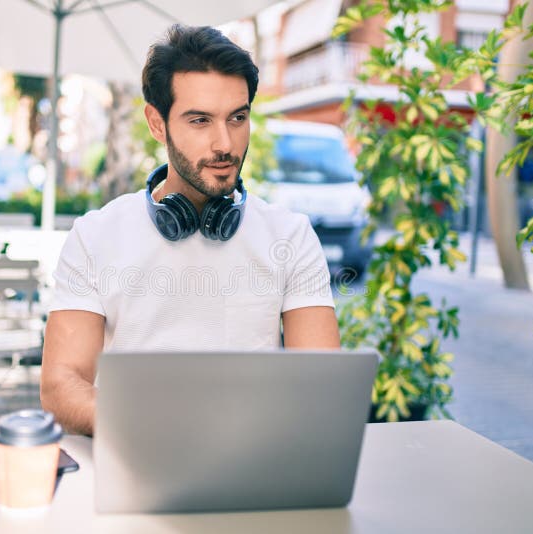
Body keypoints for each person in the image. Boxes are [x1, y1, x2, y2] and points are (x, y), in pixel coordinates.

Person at [41, 25, 340, 436]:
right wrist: (151, 428)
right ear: (157, 124)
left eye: (238, 118)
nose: (225, 144)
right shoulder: (94, 237)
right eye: (200, 120)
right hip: (133, 450)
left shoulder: (291, 237)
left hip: (251, 458)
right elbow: (61, 385)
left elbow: (321, 386)